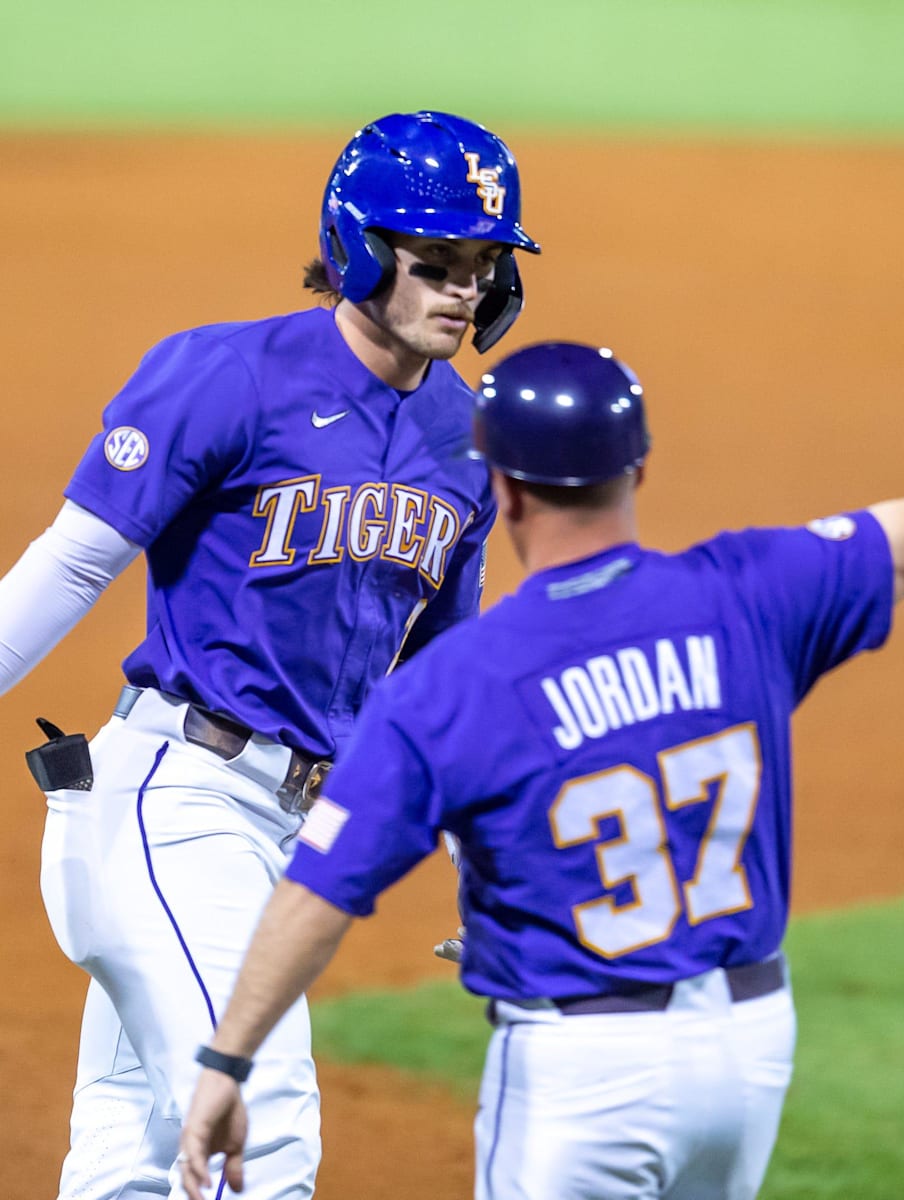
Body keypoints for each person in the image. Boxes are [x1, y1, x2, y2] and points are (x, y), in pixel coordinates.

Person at [177, 270, 904, 1200]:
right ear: (638, 468)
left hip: (582, 1071)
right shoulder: (751, 592)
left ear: (503, 486)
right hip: (750, 1051)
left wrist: (227, 1062)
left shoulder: (459, 681)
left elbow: (321, 889)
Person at [0, 110, 541, 1199]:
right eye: (436, 262)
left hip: (291, 833)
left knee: (139, 1160)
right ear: (360, 249)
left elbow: (443, 682)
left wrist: (494, 872)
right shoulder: (229, 374)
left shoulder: (468, 438)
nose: (463, 290)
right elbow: (69, 567)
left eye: (483, 266)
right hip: (171, 801)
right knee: (264, 1118)